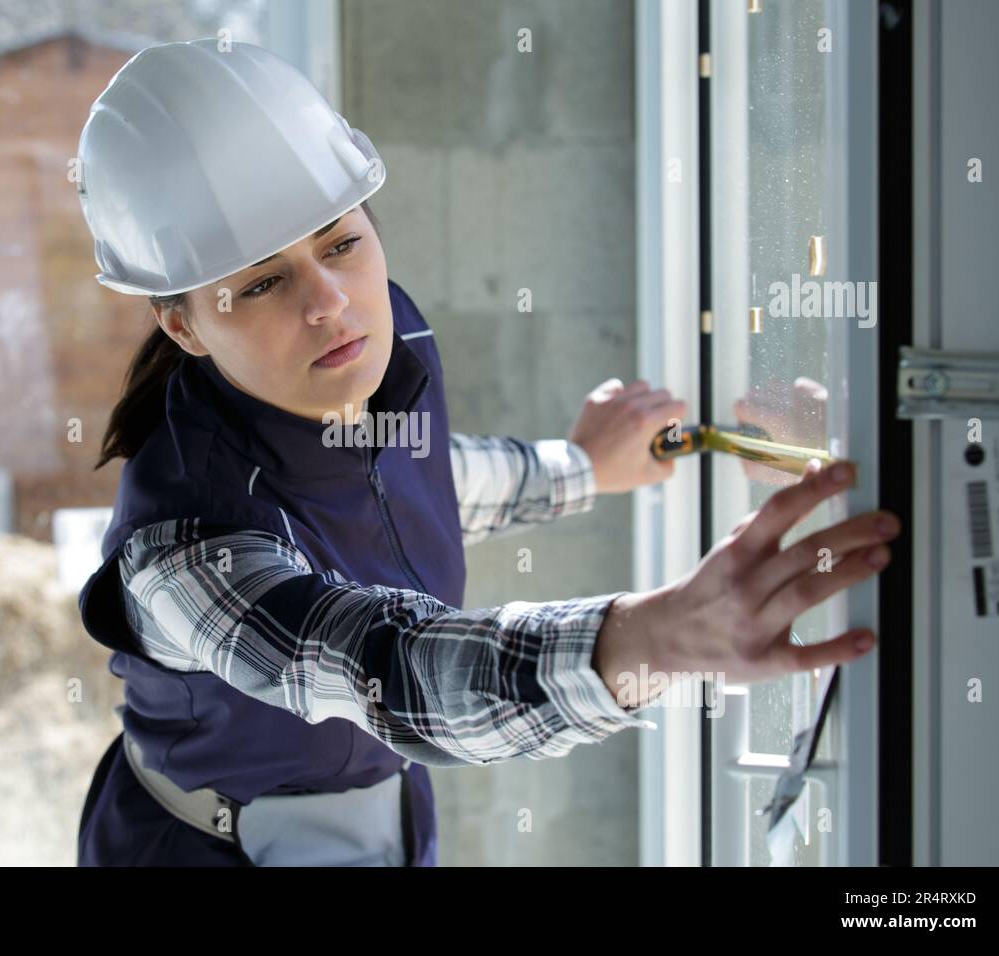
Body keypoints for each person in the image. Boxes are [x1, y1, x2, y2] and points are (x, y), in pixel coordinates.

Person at [73, 38, 900, 867]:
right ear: (182, 324)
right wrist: (656, 638)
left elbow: (402, 482)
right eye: (260, 283)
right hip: (216, 846)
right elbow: (387, 665)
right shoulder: (185, 554)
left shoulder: (358, 365)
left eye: (339, 243)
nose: (328, 301)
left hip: (379, 810)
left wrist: (579, 468)